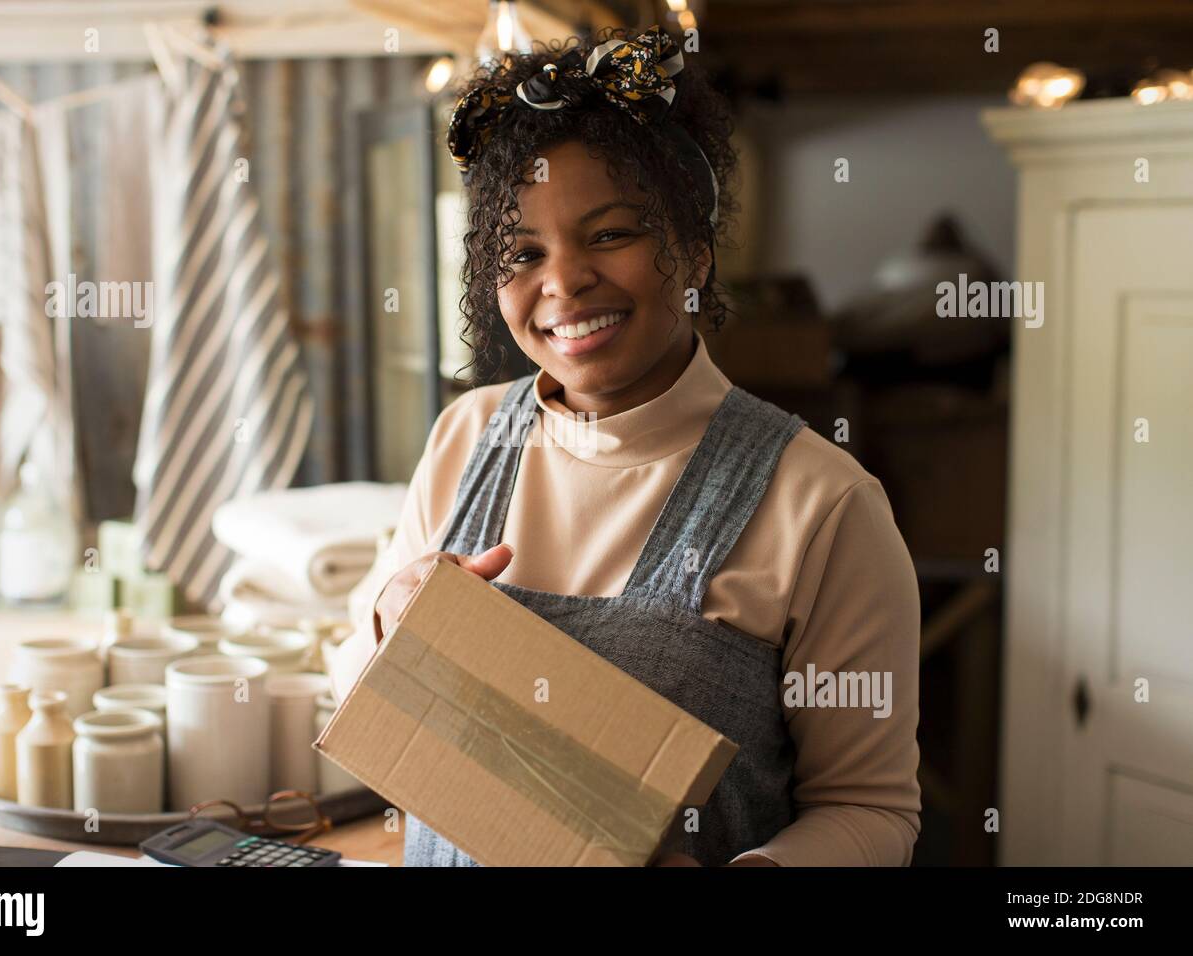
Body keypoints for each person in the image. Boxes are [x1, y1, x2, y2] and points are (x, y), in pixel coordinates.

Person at [338, 25, 921, 867]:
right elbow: (358, 689)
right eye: (523, 253)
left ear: (696, 253)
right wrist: (390, 618)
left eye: (610, 234)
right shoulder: (465, 435)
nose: (563, 281)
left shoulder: (823, 503)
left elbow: (871, 811)